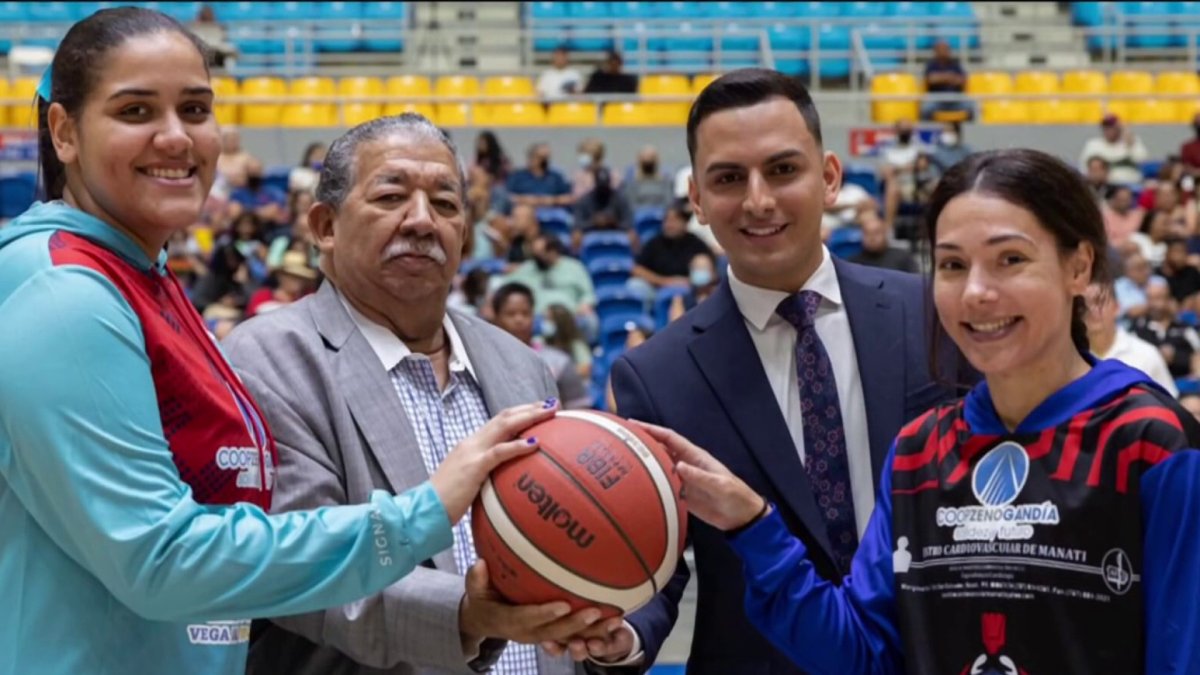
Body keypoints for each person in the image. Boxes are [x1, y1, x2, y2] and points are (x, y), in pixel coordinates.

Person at [0, 9, 556, 675]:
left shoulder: (138, 279)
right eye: (136, 110)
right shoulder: (64, 295)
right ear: (64, 131)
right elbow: (160, 560)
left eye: (195, 109)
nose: (175, 136)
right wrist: (422, 514)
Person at [650, 148, 1200, 674]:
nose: (976, 292)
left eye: (1010, 260)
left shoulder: (1152, 443)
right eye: (953, 265)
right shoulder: (920, 451)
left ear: (1079, 267)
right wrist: (752, 523)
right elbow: (859, 655)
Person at [575, 68, 967, 674]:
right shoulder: (655, 375)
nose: (758, 200)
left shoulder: (933, 314)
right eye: (729, 178)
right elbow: (657, 563)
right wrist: (622, 634)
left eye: (783, 170)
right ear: (697, 200)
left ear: (829, 177)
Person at [224, 115, 604, 675]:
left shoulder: (521, 366)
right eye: (391, 196)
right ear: (325, 226)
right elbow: (301, 574)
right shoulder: (267, 359)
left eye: (446, 204)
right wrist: (465, 617)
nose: (423, 221)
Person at [491, 283, 594, 411]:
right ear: (496, 318)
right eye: (511, 314)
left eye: (525, 313)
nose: (519, 320)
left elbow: (579, 409)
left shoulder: (558, 362)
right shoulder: (485, 363)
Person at [1085, 281, 1178, 396]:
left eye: (1099, 302)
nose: (1092, 310)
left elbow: (1169, 400)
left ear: (1117, 308)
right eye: (1084, 305)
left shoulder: (1147, 354)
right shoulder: (1071, 358)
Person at [1079, 114, 1150, 187]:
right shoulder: (1093, 145)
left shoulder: (1132, 142)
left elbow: (1143, 162)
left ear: (1119, 128)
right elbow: (1083, 168)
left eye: (1112, 127)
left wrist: (1131, 145)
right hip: (1103, 186)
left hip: (1131, 184)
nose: (1109, 130)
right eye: (1106, 128)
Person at [849, 209, 919, 273]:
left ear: (885, 233)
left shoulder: (902, 258)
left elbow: (915, 279)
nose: (872, 238)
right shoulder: (853, 263)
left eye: (876, 233)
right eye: (867, 233)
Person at [920, 40, 970, 121]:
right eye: (941, 49)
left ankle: (965, 129)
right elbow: (930, 79)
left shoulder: (955, 64)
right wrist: (948, 77)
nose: (943, 51)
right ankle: (929, 129)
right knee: (926, 108)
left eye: (946, 49)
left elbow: (962, 80)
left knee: (971, 107)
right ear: (936, 51)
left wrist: (941, 78)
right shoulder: (931, 65)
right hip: (937, 100)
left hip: (955, 100)